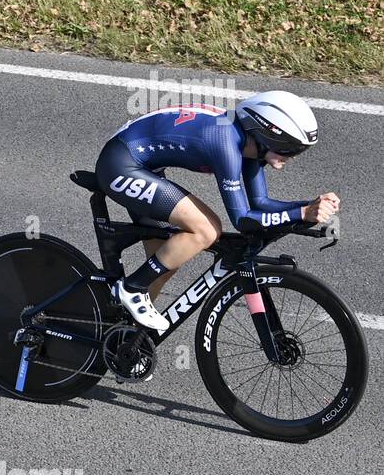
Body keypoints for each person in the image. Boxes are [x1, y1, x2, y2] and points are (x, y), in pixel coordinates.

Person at [96, 90, 339, 331]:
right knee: (206, 229)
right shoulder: (223, 140)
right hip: (120, 165)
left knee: (164, 262)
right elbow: (242, 219)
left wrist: (308, 207)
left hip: (142, 166)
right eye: (290, 149)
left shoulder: (248, 142)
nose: (293, 157)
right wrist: (300, 214)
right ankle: (132, 288)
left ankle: (118, 336)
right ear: (268, 136)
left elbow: (260, 204)